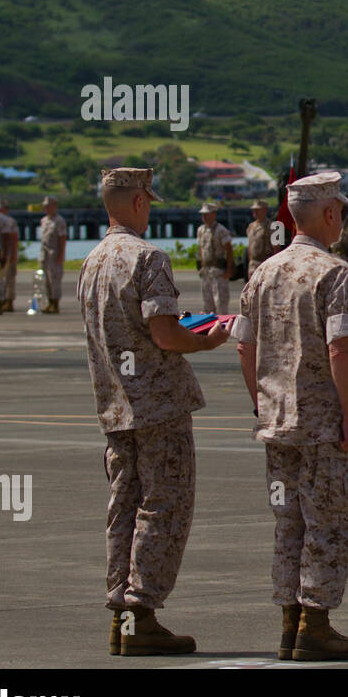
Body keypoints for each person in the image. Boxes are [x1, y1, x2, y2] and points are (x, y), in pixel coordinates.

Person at [78, 168, 231, 655]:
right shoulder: (148, 257)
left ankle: (122, 615)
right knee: (165, 506)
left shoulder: (93, 261)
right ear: (141, 201)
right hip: (158, 404)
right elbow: (165, 335)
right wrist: (207, 340)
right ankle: (141, 612)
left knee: (124, 507)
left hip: (115, 406)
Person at [234, 171, 348, 660]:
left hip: (277, 424)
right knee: (329, 522)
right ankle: (316, 623)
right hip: (322, 426)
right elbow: (341, 349)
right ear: (330, 214)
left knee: (288, 523)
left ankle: (290, 624)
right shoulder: (334, 273)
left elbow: (244, 348)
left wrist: (261, 404)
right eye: (342, 212)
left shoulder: (264, 272)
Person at [196, 203, 233, 313]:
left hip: (218, 271)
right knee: (207, 303)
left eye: (207, 214)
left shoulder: (221, 230)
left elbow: (229, 250)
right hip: (206, 271)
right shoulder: (201, 230)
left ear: (214, 214)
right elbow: (201, 249)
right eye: (203, 214)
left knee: (220, 303)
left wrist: (229, 270)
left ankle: (222, 327)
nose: (204, 217)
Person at [39, 195, 69, 313]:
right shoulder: (44, 220)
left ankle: (55, 303)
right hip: (44, 254)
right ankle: (49, 302)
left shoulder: (59, 221)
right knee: (45, 279)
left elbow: (62, 238)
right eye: (45, 206)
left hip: (54, 253)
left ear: (54, 206)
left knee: (54, 279)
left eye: (48, 206)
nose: (46, 208)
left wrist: (61, 255)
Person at [0, 198, 20, 311]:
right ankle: (0, 300)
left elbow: (15, 239)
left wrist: (14, 255)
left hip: (9, 254)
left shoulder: (10, 221)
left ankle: (9, 301)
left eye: (2, 208)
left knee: (9, 279)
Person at [246, 200, 274, 274]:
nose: (255, 212)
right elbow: (249, 247)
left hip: (266, 264)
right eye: (254, 210)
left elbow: (277, 249)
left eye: (257, 210)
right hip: (253, 265)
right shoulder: (250, 226)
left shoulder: (274, 226)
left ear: (265, 210)